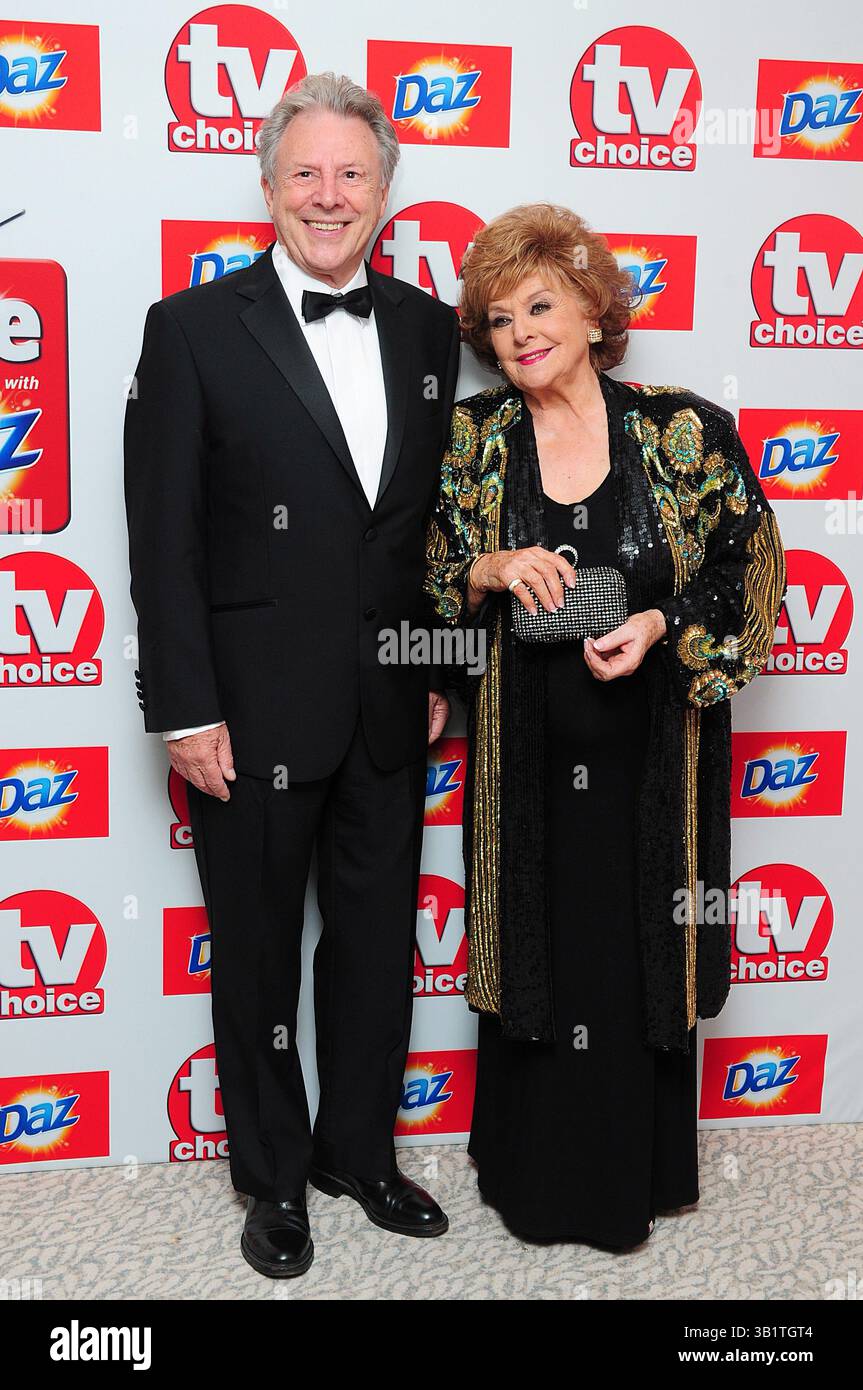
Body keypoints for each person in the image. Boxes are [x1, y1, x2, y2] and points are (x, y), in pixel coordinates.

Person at [124, 73, 460, 1278]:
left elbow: (429, 530)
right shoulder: (191, 327)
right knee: (257, 948)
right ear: (267, 186)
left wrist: (437, 668)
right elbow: (161, 537)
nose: (329, 196)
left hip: (389, 701)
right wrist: (184, 707)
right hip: (247, 707)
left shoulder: (428, 327)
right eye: (305, 173)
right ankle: (272, 1178)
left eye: (352, 174)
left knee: (372, 944)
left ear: (385, 191)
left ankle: (357, 1155)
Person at [424, 203, 787, 1249]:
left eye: (539, 304)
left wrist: (659, 623)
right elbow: (432, 578)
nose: (519, 333)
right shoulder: (475, 440)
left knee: (637, 950)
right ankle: (531, 1179)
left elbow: (750, 572)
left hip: (650, 761)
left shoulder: (681, 430)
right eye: (496, 320)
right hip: (523, 756)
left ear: (592, 308)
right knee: (538, 949)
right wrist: (490, 568)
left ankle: (639, 1171)